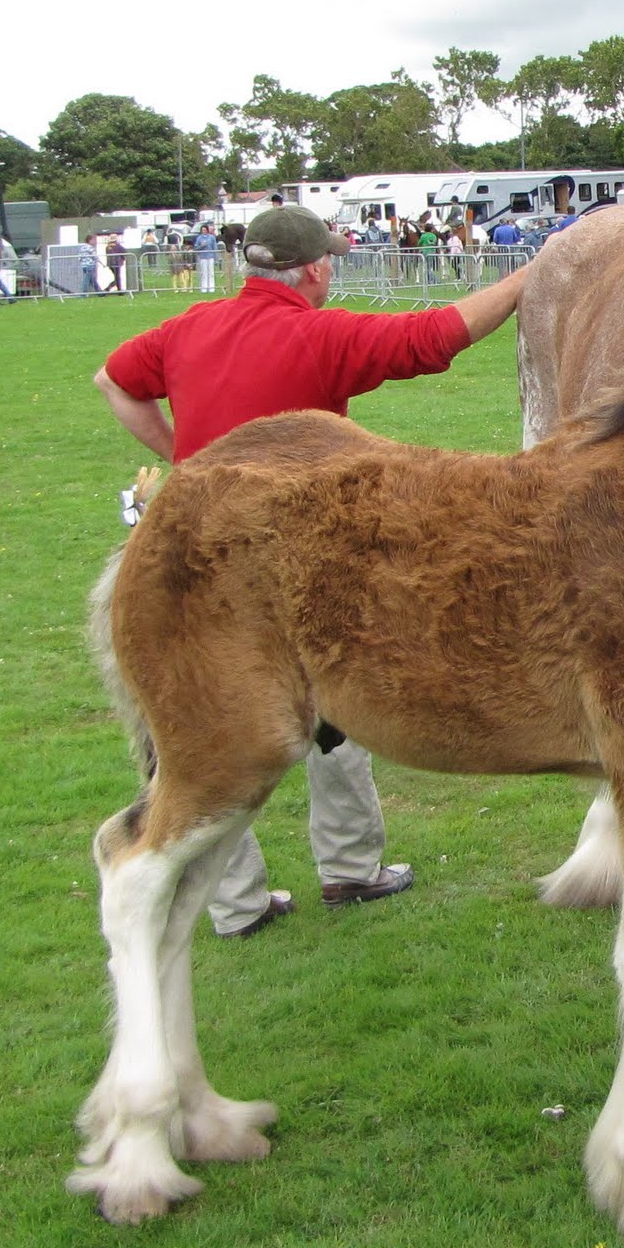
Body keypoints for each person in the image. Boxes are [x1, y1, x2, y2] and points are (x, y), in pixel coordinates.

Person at [93, 204, 528, 937]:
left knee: (205, 729)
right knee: (337, 710)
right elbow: (436, 335)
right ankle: (350, 866)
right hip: (304, 560)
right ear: (316, 269)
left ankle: (235, 904)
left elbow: (113, 380)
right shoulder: (318, 333)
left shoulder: (187, 328)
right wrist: (527, 277)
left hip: (202, 557)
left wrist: (183, 458)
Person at [193, 222, 219, 294]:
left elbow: (214, 247)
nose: (203, 231)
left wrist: (216, 257)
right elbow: (196, 248)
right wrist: (202, 246)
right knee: (204, 273)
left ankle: (211, 287)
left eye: (205, 230)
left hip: (210, 257)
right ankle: (204, 287)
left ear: (207, 230)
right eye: (202, 230)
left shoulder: (211, 237)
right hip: (203, 257)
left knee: (211, 272)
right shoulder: (199, 238)